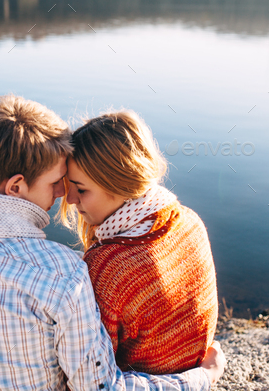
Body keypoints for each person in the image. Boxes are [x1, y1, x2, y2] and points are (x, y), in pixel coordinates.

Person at [0, 95, 226, 391]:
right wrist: (201, 378)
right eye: (54, 182)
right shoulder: (62, 273)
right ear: (16, 187)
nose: (64, 194)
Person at [60, 110, 218, 375]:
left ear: (120, 185)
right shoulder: (190, 221)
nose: (71, 199)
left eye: (81, 189)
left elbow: (94, 372)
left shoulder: (108, 266)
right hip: (190, 373)